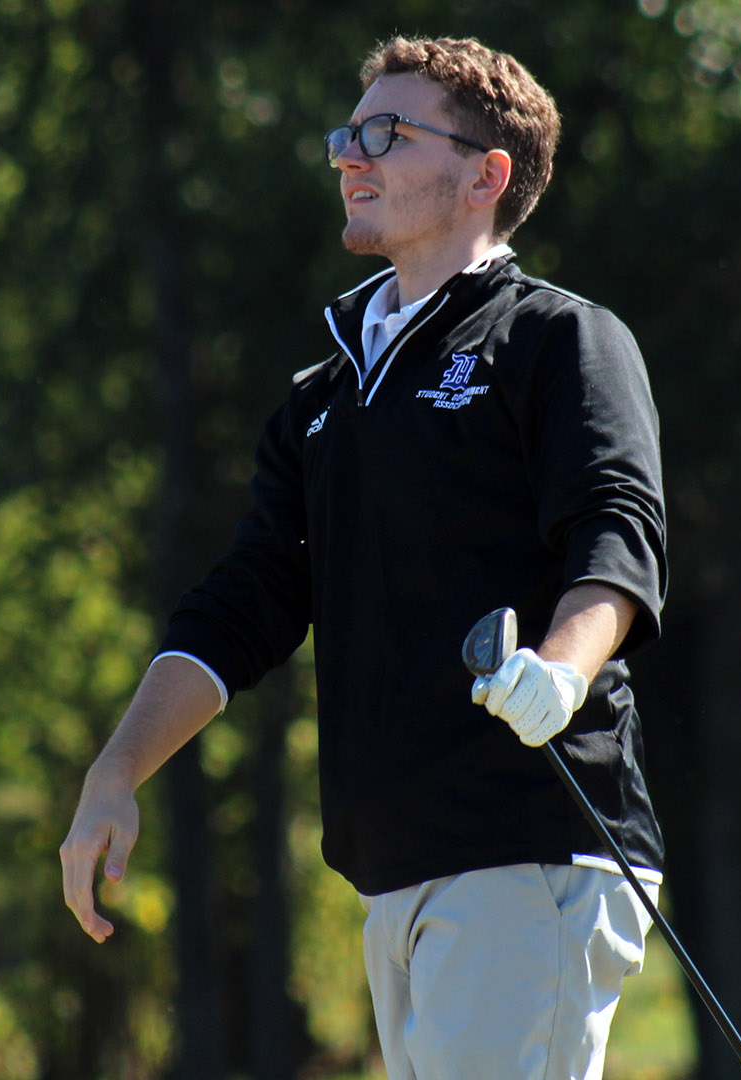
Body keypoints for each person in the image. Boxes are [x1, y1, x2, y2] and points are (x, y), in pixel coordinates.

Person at [60, 35, 668, 1080]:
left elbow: (618, 532)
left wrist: (562, 672)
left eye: (386, 134)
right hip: (394, 867)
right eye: (350, 134)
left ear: (487, 176)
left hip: (528, 847)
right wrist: (117, 771)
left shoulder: (558, 339)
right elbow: (244, 604)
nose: (352, 157)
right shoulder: (323, 396)